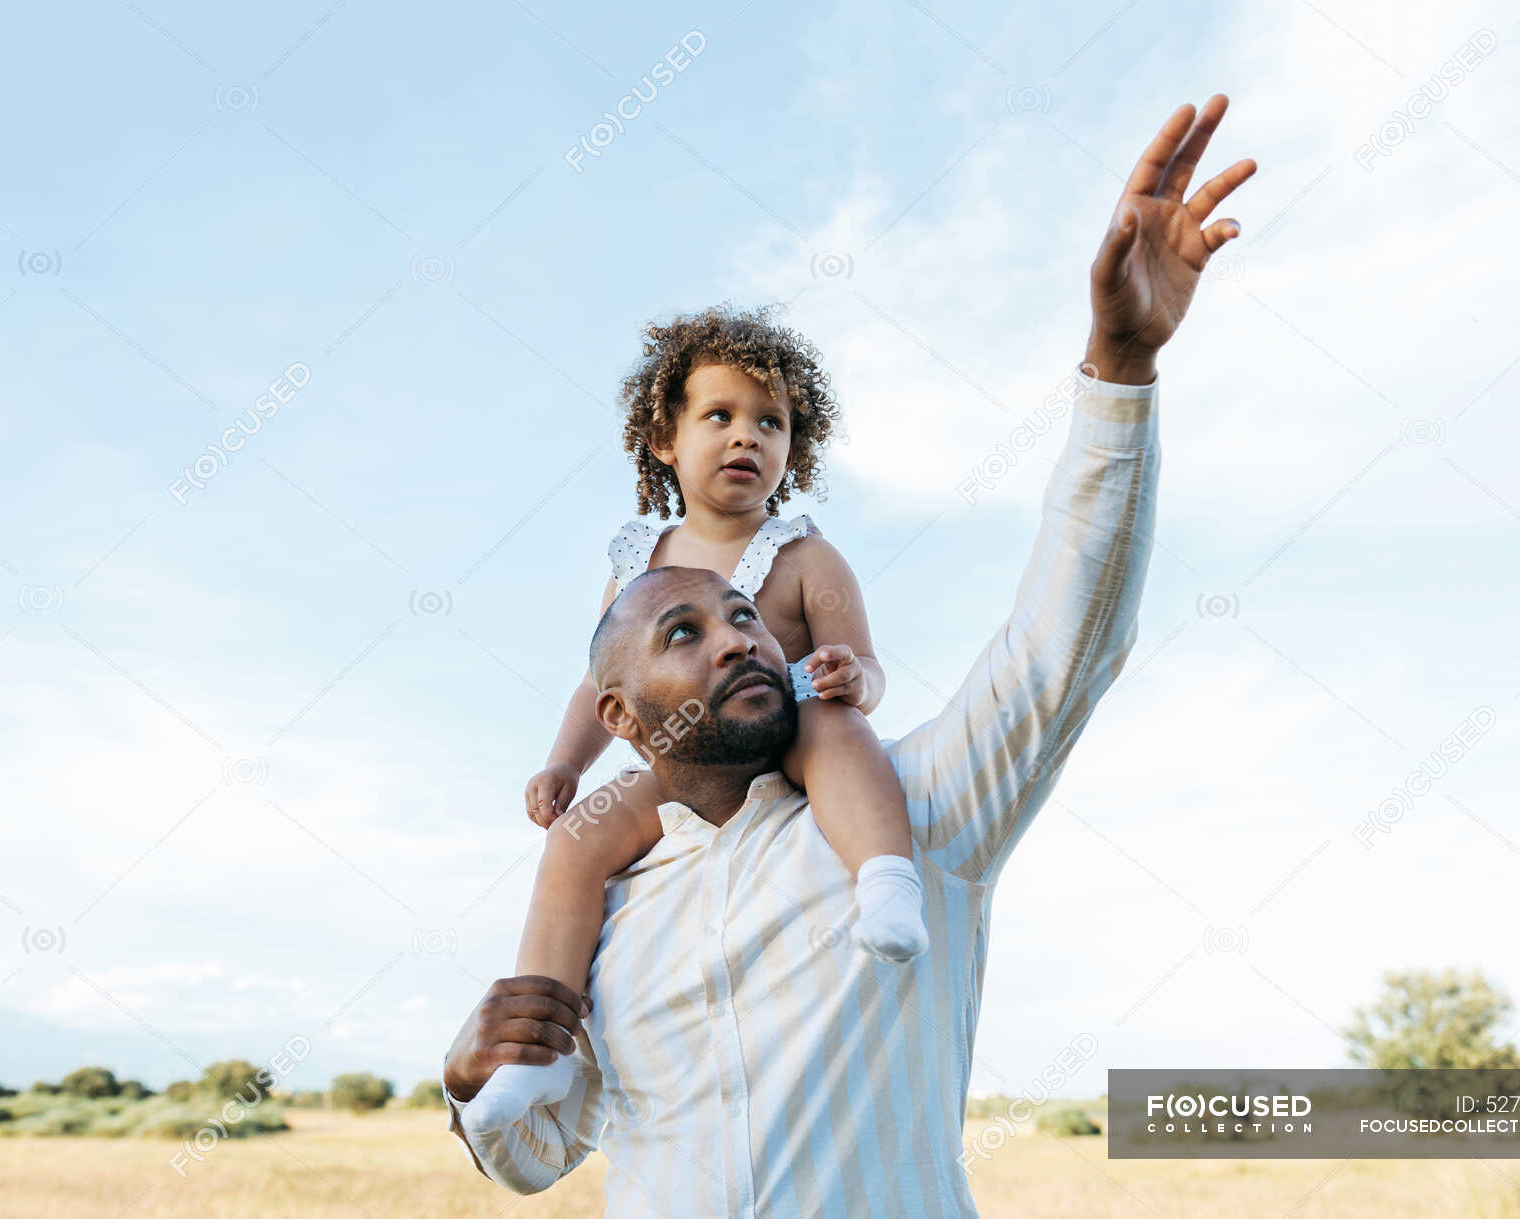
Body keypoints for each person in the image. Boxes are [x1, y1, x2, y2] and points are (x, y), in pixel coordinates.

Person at [443, 94, 1255, 1217]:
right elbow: (531, 1158)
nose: (741, 632)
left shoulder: (921, 814)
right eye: (686, 629)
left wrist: (1117, 365)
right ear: (623, 714)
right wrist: (473, 1080)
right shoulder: (613, 900)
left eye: (746, 618)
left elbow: (1065, 635)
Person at [462, 302, 938, 1135]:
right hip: (683, 756)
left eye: (772, 422)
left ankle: (887, 883)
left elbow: (865, 663)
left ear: (796, 448)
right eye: (719, 415)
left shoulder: (806, 555)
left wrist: (846, 677)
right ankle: (538, 1055)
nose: (747, 436)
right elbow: (597, 683)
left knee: (836, 729)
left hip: (787, 734)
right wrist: (567, 763)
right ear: (664, 441)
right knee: (576, 842)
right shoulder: (639, 565)